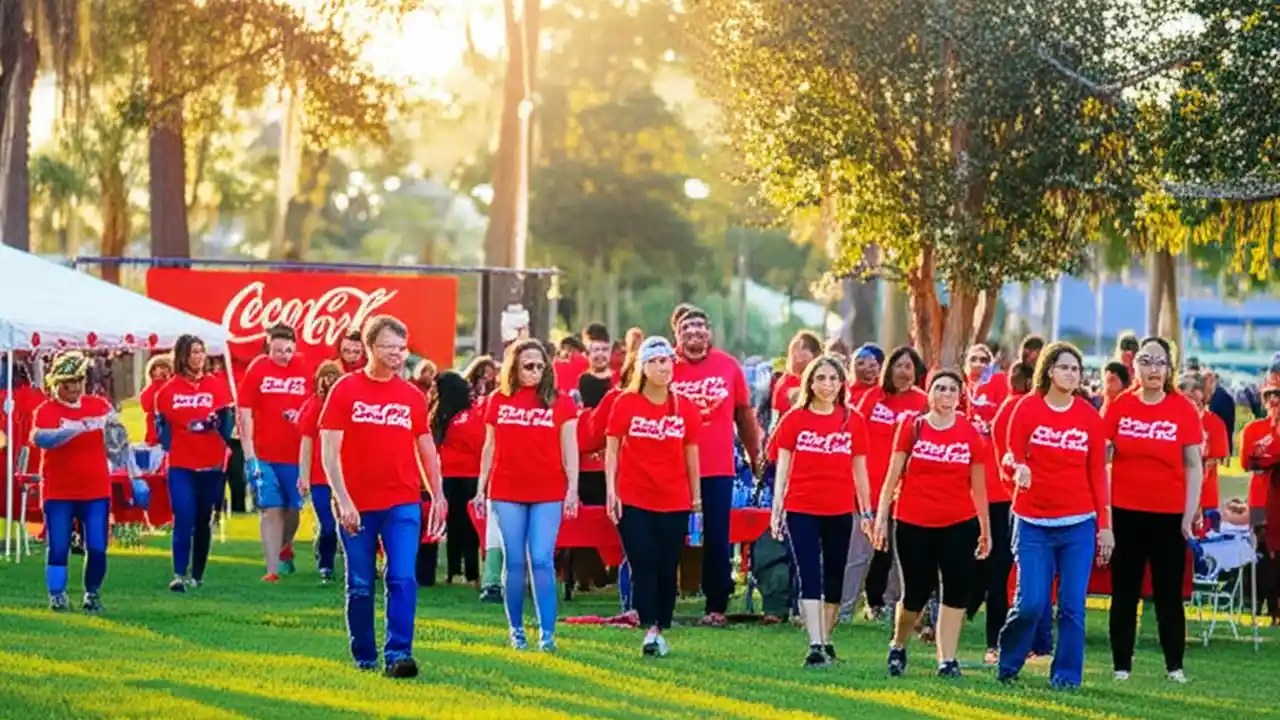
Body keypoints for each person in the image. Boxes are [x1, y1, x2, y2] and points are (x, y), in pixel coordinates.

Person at [319, 314, 446, 678]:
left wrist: (437, 492)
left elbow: (425, 447)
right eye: (389, 347)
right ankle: (364, 655)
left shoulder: (412, 396)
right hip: (356, 503)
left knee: (402, 577)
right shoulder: (345, 389)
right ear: (370, 348)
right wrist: (342, 499)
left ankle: (399, 653)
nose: (396, 354)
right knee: (360, 583)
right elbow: (330, 451)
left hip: (402, 501)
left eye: (401, 348)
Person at [998, 342, 1112, 689]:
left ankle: (1066, 677)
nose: (1071, 374)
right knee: (1032, 602)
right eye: (1064, 367)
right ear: (1048, 371)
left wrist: (1105, 526)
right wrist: (1018, 469)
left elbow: (1097, 474)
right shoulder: (1027, 408)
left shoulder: (1089, 416)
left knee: (1072, 606)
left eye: (1076, 369)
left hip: (1078, 524)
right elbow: (1009, 455)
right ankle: (1009, 663)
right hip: (1032, 522)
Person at [873, 369, 989, 677]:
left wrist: (985, 529)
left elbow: (978, 486)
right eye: (940, 388)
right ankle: (898, 645)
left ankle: (946, 659)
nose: (946, 394)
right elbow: (892, 477)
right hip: (913, 521)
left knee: (955, 591)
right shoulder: (912, 427)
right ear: (929, 392)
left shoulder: (970, 433)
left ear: (960, 395)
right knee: (916, 592)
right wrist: (881, 518)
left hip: (959, 522)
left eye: (952, 389)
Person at [1103, 336, 1202, 683]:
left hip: (1169, 516)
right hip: (1126, 514)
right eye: (1146, 361)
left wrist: (1189, 514)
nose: (1153, 369)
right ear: (1135, 366)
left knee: (1168, 596)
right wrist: (1106, 516)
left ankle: (1174, 666)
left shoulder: (1182, 409)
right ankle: (1121, 666)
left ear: (1169, 368)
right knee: (1125, 594)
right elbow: (1104, 460)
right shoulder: (1119, 406)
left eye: (1160, 362)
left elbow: (1194, 465)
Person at [473, 338, 581, 651]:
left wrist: (572, 489)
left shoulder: (561, 403)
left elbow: (569, 449)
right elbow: (489, 447)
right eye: (527, 365)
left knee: (542, 559)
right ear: (514, 368)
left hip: (549, 491)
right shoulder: (498, 400)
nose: (534, 371)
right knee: (515, 562)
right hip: (506, 489)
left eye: (539, 365)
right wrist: (480, 489)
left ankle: (547, 633)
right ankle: (516, 629)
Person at [770, 355, 873, 667]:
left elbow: (860, 472)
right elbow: (782, 469)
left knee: (834, 577)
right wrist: (777, 509)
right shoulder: (794, 419)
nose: (827, 385)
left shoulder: (852, 420)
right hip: (801, 507)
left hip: (840, 509)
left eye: (833, 379)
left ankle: (826, 639)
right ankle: (814, 643)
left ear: (842, 383)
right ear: (810, 383)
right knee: (808, 574)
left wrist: (866, 512)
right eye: (821, 378)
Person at [604, 336, 702, 657]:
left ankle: (661, 624)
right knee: (642, 560)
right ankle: (648, 626)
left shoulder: (684, 406)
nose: (663, 367)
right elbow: (612, 450)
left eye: (667, 361)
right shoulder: (625, 403)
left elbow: (691, 454)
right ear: (643, 367)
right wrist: (611, 491)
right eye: (656, 361)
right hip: (633, 496)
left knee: (666, 564)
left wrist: (696, 499)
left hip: (674, 498)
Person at [669, 305, 761, 627]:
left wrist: (755, 454)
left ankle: (716, 605)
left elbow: (744, 415)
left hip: (717, 466)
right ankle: (660, 600)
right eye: (686, 329)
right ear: (676, 335)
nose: (694, 334)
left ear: (709, 333)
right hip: (670, 466)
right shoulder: (665, 366)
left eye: (700, 328)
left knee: (718, 537)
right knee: (669, 534)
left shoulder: (728, 366)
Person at [846, 346, 927, 621]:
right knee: (858, 554)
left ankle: (896, 610)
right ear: (888, 369)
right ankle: (843, 610)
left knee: (898, 556)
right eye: (899, 365)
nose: (903, 371)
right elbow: (851, 433)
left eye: (909, 366)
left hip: (906, 492)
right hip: (868, 489)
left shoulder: (924, 402)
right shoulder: (872, 398)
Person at [30, 351, 113, 612]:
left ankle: (92, 593)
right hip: (59, 491)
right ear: (56, 384)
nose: (74, 387)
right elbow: (41, 438)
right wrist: (76, 428)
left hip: (96, 489)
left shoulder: (99, 405)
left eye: (78, 380)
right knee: (58, 545)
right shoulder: (46, 409)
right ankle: (57, 594)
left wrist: (134, 475)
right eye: (68, 383)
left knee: (98, 546)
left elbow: (117, 440)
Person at [155, 334, 235, 592]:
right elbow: (163, 430)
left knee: (203, 519)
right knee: (183, 516)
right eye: (193, 352)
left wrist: (216, 425)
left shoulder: (217, 386)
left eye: (201, 351)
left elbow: (227, 424)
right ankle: (179, 574)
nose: (199, 357)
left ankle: (197, 575)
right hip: (181, 464)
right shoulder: (168, 391)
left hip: (210, 464)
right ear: (182, 356)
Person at [239, 324, 312, 581]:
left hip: (296, 455)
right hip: (264, 454)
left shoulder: (305, 369)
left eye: (288, 350)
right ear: (268, 348)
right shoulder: (258, 368)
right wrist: (249, 454)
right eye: (278, 350)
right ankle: (271, 569)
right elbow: (245, 411)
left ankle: (283, 549)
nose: (284, 355)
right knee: (271, 508)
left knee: (294, 509)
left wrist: (300, 418)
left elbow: (315, 407)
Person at [963, 344, 1012, 660]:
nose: (979, 364)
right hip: (964, 494)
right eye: (973, 359)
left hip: (1001, 496)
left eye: (985, 359)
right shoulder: (954, 393)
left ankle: (994, 640)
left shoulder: (1002, 389)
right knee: (968, 565)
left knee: (999, 568)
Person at [432, 370, 486, 585]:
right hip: (459, 475)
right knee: (461, 524)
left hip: (460, 476)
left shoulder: (453, 414)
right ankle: (463, 572)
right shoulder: (455, 414)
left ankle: (462, 571)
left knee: (460, 524)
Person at [297, 360, 343, 584]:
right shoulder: (314, 406)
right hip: (319, 476)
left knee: (345, 521)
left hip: (343, 474)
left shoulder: (346, 405)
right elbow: (306, 443)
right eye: (326, 377)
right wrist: (303, 475)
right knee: (328, 523)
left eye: (335, 377)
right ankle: (326, 565)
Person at [1180, 372, 1230, 514]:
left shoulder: (1215, 423)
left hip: (1205, 500)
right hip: (1174, 498)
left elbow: (1211, 462)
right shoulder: (1172, 421)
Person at [137, 355, 173, 446]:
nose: (162, 370)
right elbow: (147, 406)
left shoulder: (172, 387)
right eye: (159, 367)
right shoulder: (150, 389)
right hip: (155, 428)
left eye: (165, 367)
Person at [847, 343, 883, 408]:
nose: (866, 367)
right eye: (861, 363)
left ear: (879, 367)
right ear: (852, 367)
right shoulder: (843, 390)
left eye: (872, 365)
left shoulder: (884, 392)